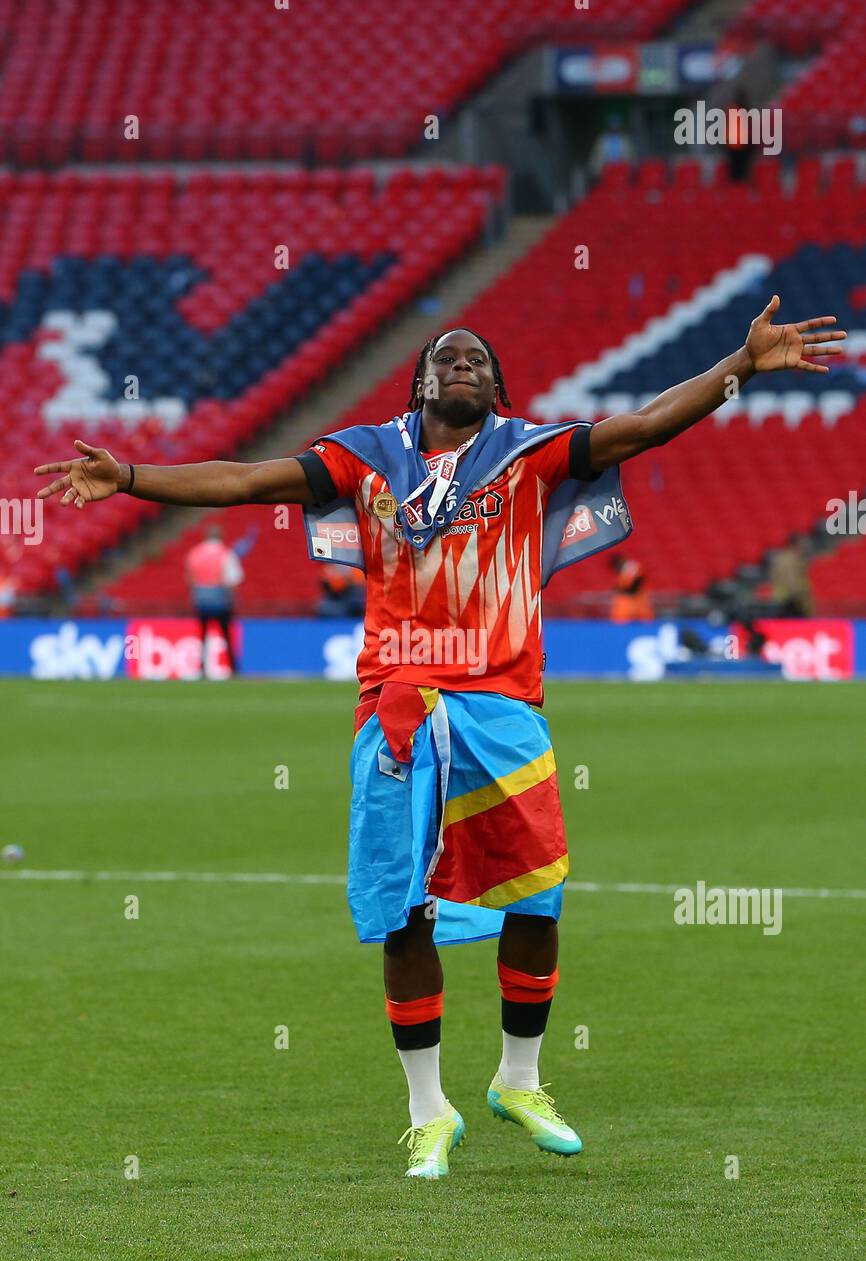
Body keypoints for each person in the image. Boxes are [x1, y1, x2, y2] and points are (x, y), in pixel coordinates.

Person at [35, 299, 844, 1178]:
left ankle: (518, 1079)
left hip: (503, 704)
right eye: (445, 357)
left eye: (477, 360)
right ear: (419, 379)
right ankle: (428, 1113)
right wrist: (133, 475)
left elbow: (646, 425)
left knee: (539, 897)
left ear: (496, 387)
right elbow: (244, 480)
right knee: (403, 908)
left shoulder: (530, 452)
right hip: (399, 703)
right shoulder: (364, 457)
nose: (461, 364)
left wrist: (742, 365)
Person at [184, 524, 244, 676]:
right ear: (221, 536)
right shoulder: (226, 554)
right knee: (226, 636)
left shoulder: (195, 553)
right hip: (221, 601)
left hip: (201, 600)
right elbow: (232, 580)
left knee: (203, 635)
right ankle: (233, 669)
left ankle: (202, 668)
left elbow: (190, 578)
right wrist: (232, 600)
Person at [769, 535, 814, 618]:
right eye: (801, 545)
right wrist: (803, 600)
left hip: (782, 598)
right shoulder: (792, 560)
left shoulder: (781, 558)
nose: (804, 548)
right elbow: (793, 583)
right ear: (795, 545)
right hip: (792, 601)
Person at [609, 553, 654, 622]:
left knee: (643, 623)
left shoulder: (632, 567)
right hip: (630, 602)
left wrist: (621, 590)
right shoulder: (625, 571)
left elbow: (636, 584)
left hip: (635, 601)